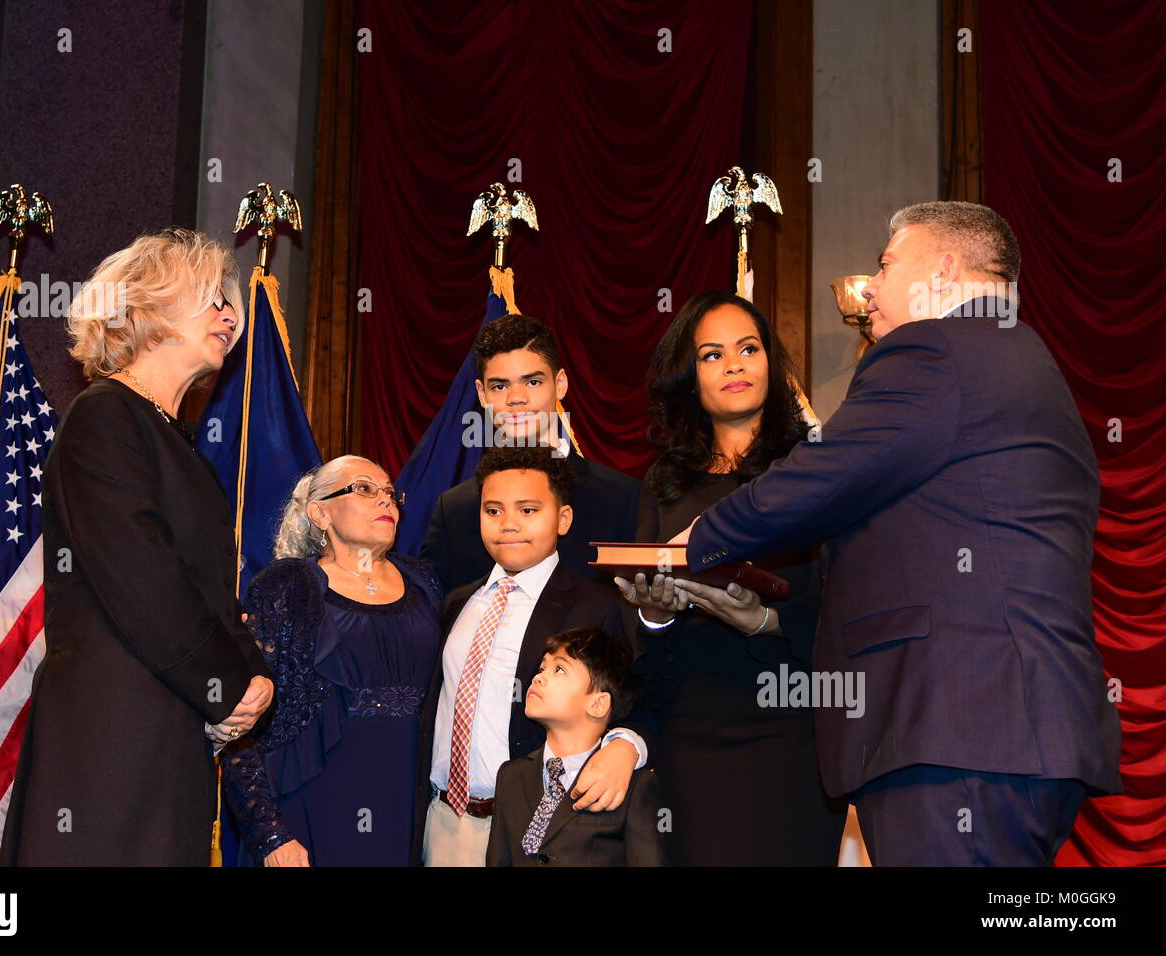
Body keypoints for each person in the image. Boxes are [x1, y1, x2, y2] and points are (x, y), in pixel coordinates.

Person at [675, 201, 1122, 865]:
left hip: (954, 731)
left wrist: (692, 540)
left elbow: (822, 478)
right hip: (1019, 734)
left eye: (886, 267)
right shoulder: (1025, 362)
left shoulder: (937, 350)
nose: (871, 290)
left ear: (942, 271)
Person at [0, 228, 274, 866]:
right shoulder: (104, 416)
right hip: (111, 740)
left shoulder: (180, 449)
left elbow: (208, 594)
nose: (230, 314)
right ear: (146, 310)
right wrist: (228, 685)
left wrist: (254, 679)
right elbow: (143, 578)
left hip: (170, 734)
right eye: (211, 297)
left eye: (231, 302)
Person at [616, 290, 847, 865]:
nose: (735, 364)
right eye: (712, 355)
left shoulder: (814, 471)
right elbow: (637, 623)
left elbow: (845, 601)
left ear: (771, 361)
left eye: (748, 348)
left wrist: (767, 620)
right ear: (689, 378)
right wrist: (656, 612)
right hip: (691, 731)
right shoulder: (663, 484)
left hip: (794, 728)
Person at [413, 445, 647, 866]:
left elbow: (636, 696)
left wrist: (625, 744)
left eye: (527, 510)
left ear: (563, 519)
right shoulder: (456, 603)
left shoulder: (597, 605)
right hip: (443, 821)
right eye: (494, 511)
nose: (508, 525)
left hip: (536, 826)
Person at [221, 456, 442, 866]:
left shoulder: (423, 581)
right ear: (319, 512)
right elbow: (241, 721)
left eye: (391, 493)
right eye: (364, 489)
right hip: (308, 804)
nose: (386, 502)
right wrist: (269, 834)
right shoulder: (287, 585)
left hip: (404, 797)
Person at [420, 314, 640, 593]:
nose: (516, 398)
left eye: (532, 382)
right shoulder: (454, 509)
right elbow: (433, 616)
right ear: (482, 394)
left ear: (560, 384)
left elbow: (638, 616)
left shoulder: (622, 499)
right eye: (500, 386)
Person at [486, 626, 665, 866]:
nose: (538, 677)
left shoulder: (634, 787)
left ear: (598, 704)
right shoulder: (510, 775)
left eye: (559, 669)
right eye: (542, 668)